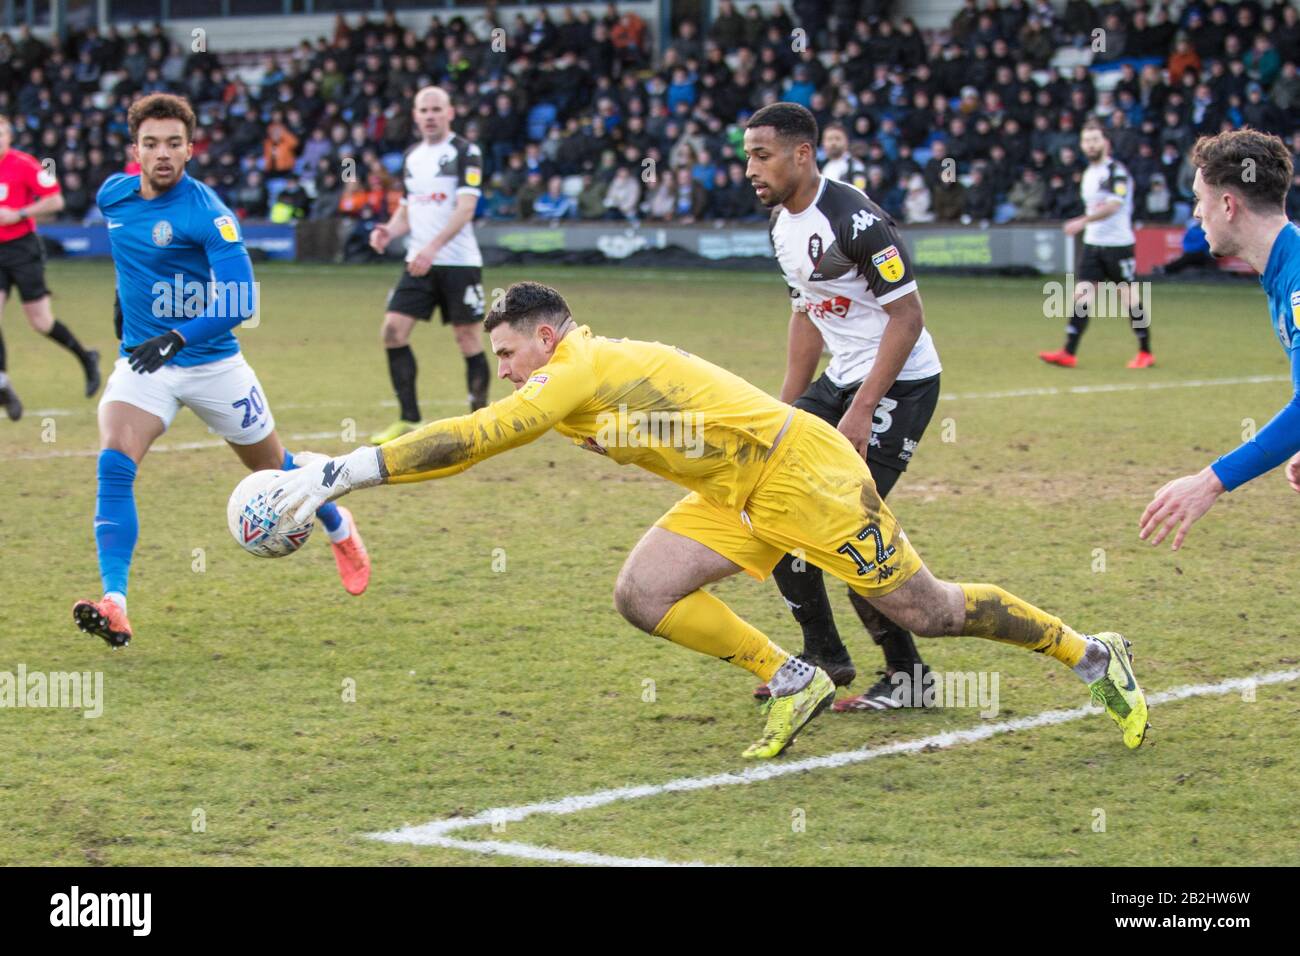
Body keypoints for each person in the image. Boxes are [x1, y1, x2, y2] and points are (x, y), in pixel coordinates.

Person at [269, 282, 1151, 757]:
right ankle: (794, 676)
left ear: (548, 335)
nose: (503, 370)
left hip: (802, 474)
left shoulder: (577, 368)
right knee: (643, 592)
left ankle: (1094, 655)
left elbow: (473, 440)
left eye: (508, 353)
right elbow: (648, 427)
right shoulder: (579, 379)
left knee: (929, 611)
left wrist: (345, 470)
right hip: (742, 488)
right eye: (496, 356)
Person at [72, 93, 371, 649]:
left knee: (278, 472)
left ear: (191, 148)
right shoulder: (113, 197)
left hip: (213, 365)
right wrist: (125, 305)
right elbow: (131, 260)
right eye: (151, 143)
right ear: (134, 148)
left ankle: (338, 525)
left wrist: (178, 337)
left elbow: (238, 299)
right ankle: (115, 601)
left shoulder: (208, 212)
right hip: (144, 363)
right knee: (113, 463)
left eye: (174, 144)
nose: (163, 154)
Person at [747, 102, 945, 713]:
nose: (750, 169)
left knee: (848, 527)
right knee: (768, 502)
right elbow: (807, 311)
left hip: (900, 384)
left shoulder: (854, 219)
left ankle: (909, 678)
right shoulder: (780, 222)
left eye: (762, 155)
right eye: (747, 156)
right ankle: (824, 658)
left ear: (802, 154)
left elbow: (907, 319)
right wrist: (787, 406)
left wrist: (862, 409)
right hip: (840, 379)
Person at [1140, 129, 1300, 550]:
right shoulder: (1285, 268)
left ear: (1228, 205)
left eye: (1199, 198)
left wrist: (1210, 481)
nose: (1195, 213)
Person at [368, 86, 488, 445]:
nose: (431, 115)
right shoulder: (411, 157)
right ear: (416, 115)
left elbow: (465, 209)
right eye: (424, 110)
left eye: (437, 109)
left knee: (467, 338)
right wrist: (389, 231)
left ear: (450, 113)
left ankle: (479, 424)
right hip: (418, 262)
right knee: (392, 332)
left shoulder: (467, 152)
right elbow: (409, 208)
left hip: (458, 262)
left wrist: (432, 248)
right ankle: (408, 419)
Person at [0, 115, 101, 421]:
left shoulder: (25, 164)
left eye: (2, 133)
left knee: (41, 322)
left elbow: (55, 201)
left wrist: (18, 212)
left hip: (22, 248)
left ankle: (87, 358)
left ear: (10, 136)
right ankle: (3, 385)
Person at [1040, 120, 1152, 369]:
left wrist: (1083, 221)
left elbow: (1114, 206)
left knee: (1128, 297)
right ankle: (1068, 351)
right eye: (1086, 140)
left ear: (1106, 143)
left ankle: (1145, 351)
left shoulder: (1117, 172)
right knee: (1081, 295)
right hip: (1093, 244)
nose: (1090, 145)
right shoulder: (1089, 174)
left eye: (1095, 140)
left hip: (1118, 245)